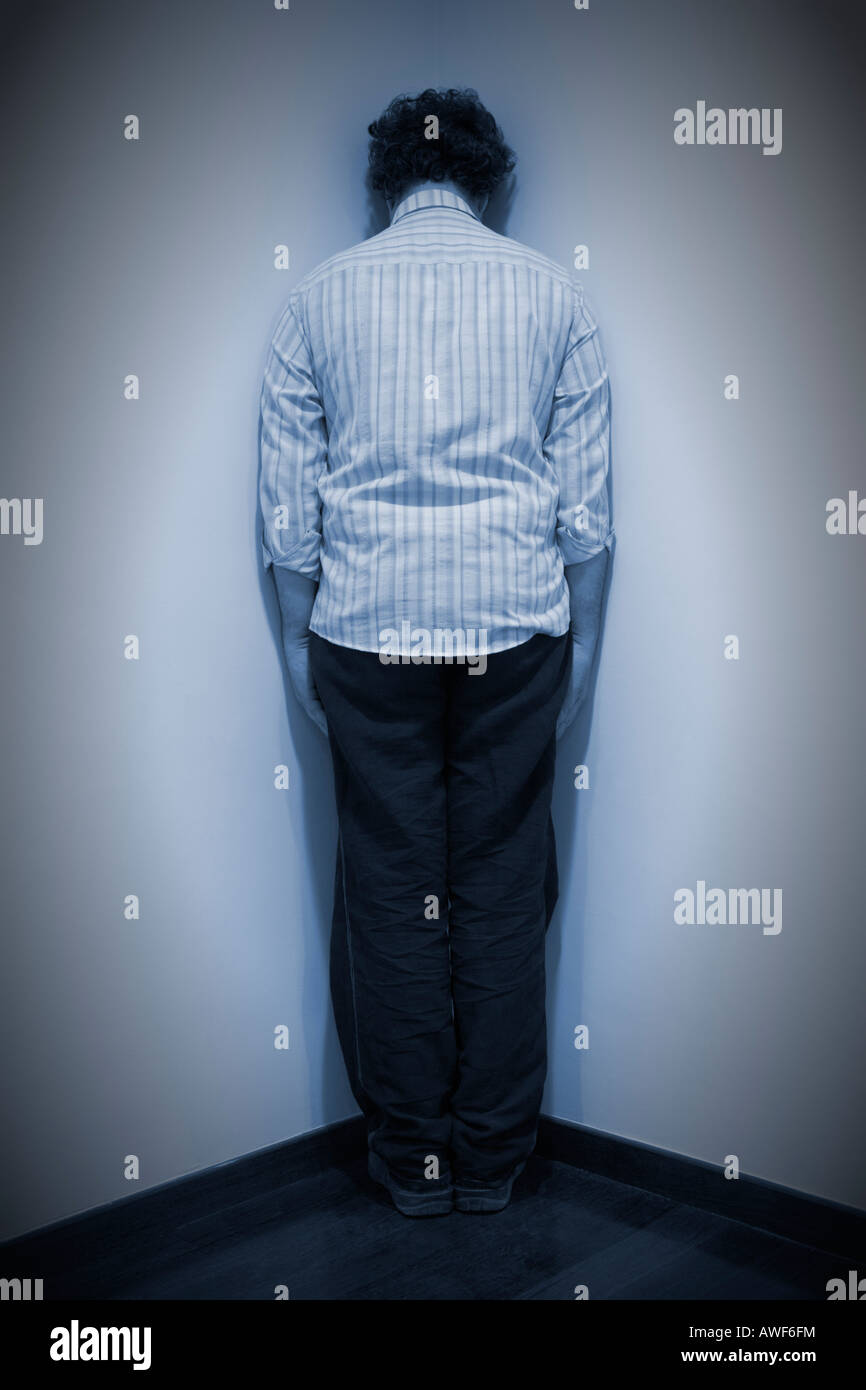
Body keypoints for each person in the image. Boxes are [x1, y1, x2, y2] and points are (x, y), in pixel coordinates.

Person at [258, 87, 614, 1216]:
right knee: (502, 891)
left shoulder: (314, 300)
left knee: (391, 887)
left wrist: (290, 649)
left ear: (383, 183)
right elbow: (588, 519)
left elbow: (285, 519)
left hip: (364, 638)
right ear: (489, 179)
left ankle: (414, 1166)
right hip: (515, 638)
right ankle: (492, 1164)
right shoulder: (557, 296)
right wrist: (584, 654)